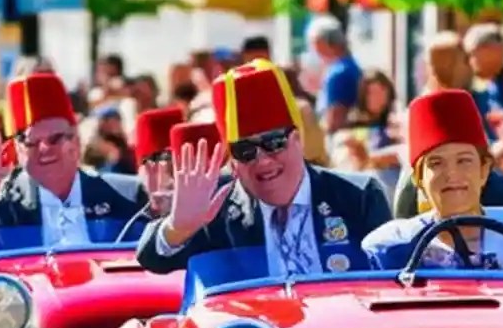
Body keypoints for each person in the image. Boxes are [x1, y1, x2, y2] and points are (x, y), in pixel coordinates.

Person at [135, 59, 392, 275]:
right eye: (245, 151)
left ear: (297, 140)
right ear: (232, 162)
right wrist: (179, 227)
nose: (263, 160)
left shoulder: (358, 196)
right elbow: (152, 260)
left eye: (275, 142)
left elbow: (388, 280)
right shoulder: (214, 207)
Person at [0, 73, 150, 248]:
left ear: (76, 142)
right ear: (19, 150)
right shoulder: (0, 204)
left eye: (55, 138)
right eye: (32, 142)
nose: (45, 149)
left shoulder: (127, 195)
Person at [362, 89, 503, 270]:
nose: (452, 173)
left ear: (484, 170)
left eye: (464, 160)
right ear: (419, 179)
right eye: (436, 163)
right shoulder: (391, 247)